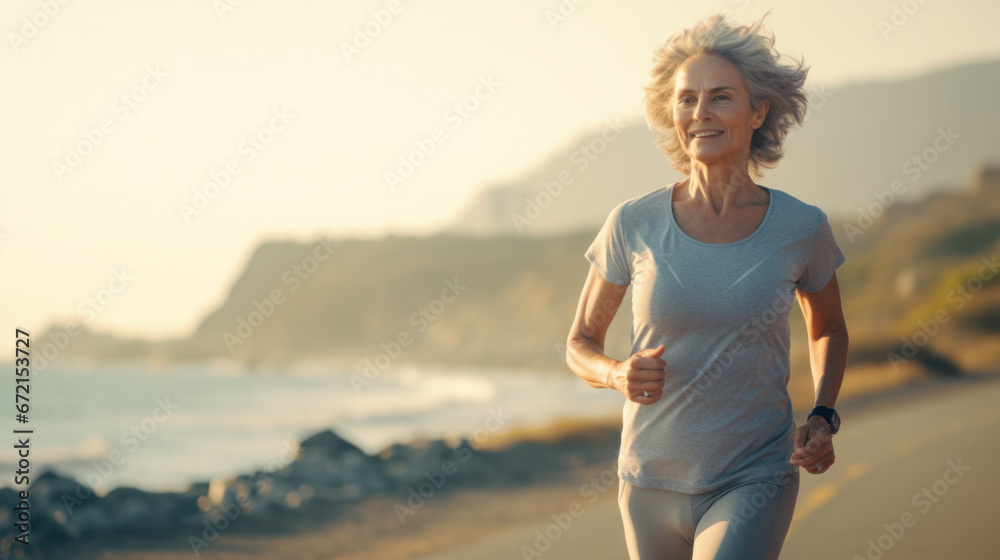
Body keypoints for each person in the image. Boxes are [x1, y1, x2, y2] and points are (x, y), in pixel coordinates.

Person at [564, 12, 848, 560]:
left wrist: (822, 414)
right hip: (647, 482)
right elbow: (579, 343)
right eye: (687, 99)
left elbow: (828, 327)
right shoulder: (632, 222)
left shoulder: (801, 226)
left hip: (753, 474)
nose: (700, 113)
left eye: (720, 97)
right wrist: (616, 373)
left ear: (758, 109)